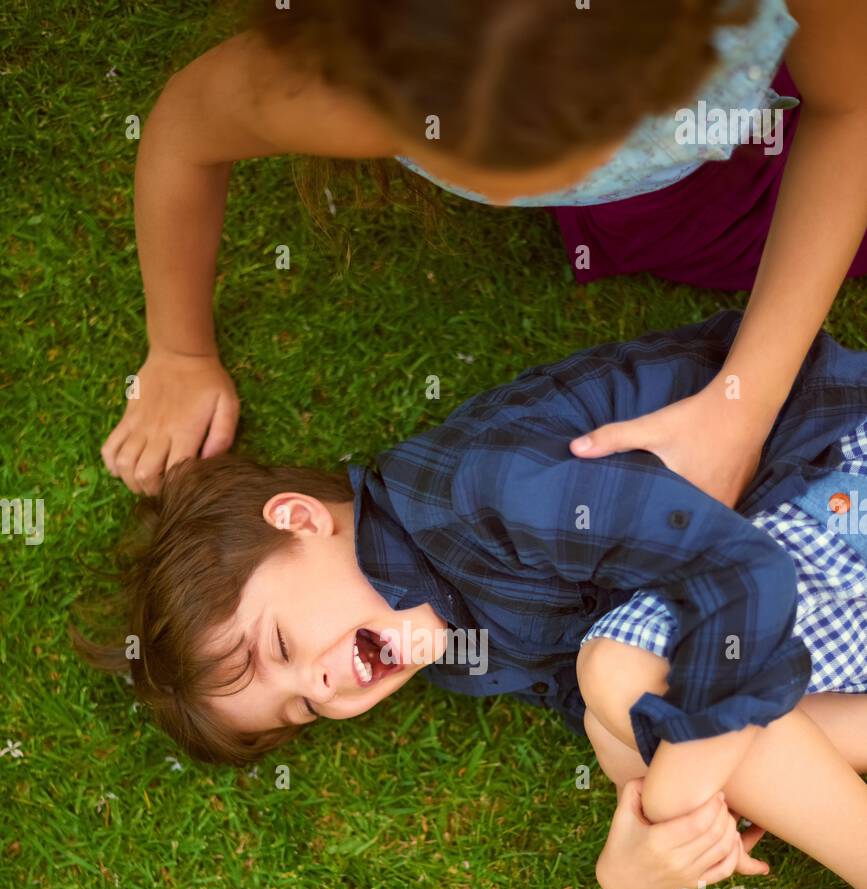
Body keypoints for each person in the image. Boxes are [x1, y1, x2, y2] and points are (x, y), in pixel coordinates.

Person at [77, 311, 867, 889]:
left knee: (622, 673)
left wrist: (668, 802)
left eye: (281, 647)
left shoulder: (484, 493)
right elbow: (613, 715)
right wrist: (646, 834)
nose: (321, 687)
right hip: (814, 584)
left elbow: (739, 576)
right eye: (300, 708)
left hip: (829, 479)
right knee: (626, 714)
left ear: (299, 519)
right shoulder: (455, 652)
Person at [100, 0, 867, 509]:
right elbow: (183, 135)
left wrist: (747, 402)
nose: (565, 176)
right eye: (502, 173)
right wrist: (178, 348)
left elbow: (850, 109)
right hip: (667, 197)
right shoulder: (339, 91)